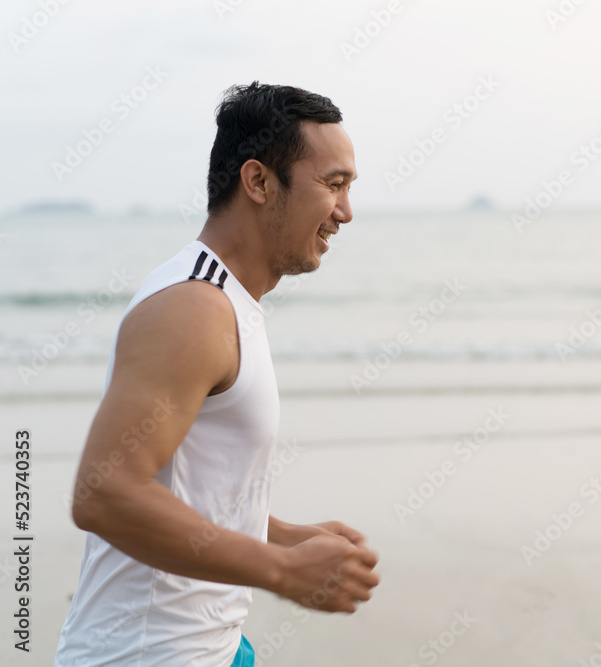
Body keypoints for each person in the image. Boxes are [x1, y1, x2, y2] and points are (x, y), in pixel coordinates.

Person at [54, 82, 379, 666]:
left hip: (214, 646)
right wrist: (280, 569)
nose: (345, 212)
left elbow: (189, 492)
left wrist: (284, 535)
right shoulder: (193, 308)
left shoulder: (230, 303)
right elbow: (103, 494)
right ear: (258, 182)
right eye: (333, 185)